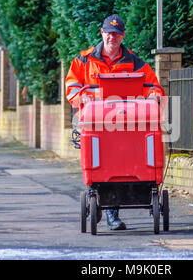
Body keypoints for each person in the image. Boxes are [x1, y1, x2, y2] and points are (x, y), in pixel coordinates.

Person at [65, 14, 164, 230]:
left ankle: (111, 211)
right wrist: (81, 97)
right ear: (102, 33)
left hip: (126, 125)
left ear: (123, 36)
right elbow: (71, 86)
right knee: (103, 164)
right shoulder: (84, 60)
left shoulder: (134, 62)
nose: (113, 37)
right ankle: (105, 208)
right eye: (109, 33)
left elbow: (153, 85)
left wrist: (154, 95)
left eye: (117, 34)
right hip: (95, 124)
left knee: (119, 163)